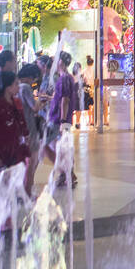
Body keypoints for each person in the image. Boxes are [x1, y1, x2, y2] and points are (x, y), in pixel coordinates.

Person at [0, 70, 31, 173]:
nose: (18, 87)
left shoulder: (16, 102)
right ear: (8, 87)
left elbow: (21, 121)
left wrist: (26, 135)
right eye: (16, 84)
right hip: (2, 151)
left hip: (16, 148)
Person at [43, 52, 78, 184]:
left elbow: (65, 100)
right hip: (63, 118)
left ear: (61, 62)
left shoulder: (64, 78)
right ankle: (68, 173)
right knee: (63, 146)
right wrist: (50, 98)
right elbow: (62, 98)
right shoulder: (68, 77)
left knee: (45, 145)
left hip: (58, 119)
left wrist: (63, 121)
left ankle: (65, 172)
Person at [15, 63, 44, 195]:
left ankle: (21, 192)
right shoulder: (25, 87)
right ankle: (27, 194)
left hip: (18, 129)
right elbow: (35, 107)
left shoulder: (14, 86)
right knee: (32, 164)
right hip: (29, 128)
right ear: (30, 77)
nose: (34, 82)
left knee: (22, 164)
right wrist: (41, 101)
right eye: (34, 79)